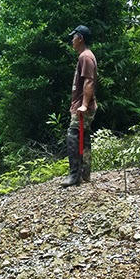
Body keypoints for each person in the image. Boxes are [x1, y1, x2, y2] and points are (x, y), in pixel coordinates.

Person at [61, 25, 97, 187]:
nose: (72, 41)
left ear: (80, 38)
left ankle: (74, 175)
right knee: (84, 138)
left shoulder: (86, 57)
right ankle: (85, 174)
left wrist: (83, 105)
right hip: (83, 105)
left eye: (74, 37)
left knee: (74, 136)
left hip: (83, 107)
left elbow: (89, 81)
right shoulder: (85, 56)